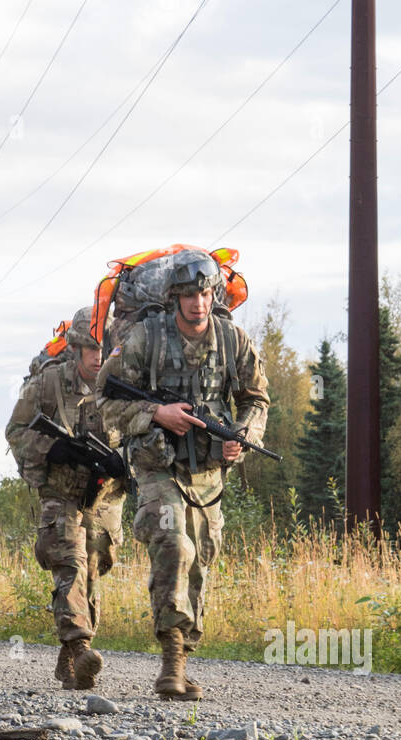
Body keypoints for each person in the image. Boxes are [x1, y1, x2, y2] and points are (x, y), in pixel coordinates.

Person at [98, 249, 269, 700]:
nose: (197, 302)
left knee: (201, 560)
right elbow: (105, 402)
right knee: (174, 545)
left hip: (209, 472)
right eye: (190, 293)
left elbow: (256, 398)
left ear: (214, 295)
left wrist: (241, 436)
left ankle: (184, 657)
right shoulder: (144, 339)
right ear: (176, 296)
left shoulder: (234, 341)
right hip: (157, 466)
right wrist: (158, 412)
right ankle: (170, 662)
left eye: (205, 292)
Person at [5, 308, 126, 690]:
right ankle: (79, 649)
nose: (96, 355)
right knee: (70, 563)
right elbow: (15, 431)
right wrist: (52, 448)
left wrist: (122, 462)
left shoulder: (123, 386)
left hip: (104, 496)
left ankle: (68, 657)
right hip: (60, 491)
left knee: (93, 570)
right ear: (74, 348)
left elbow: (144, 435)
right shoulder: (49, 384)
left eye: (102, 347)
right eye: (89, 347)